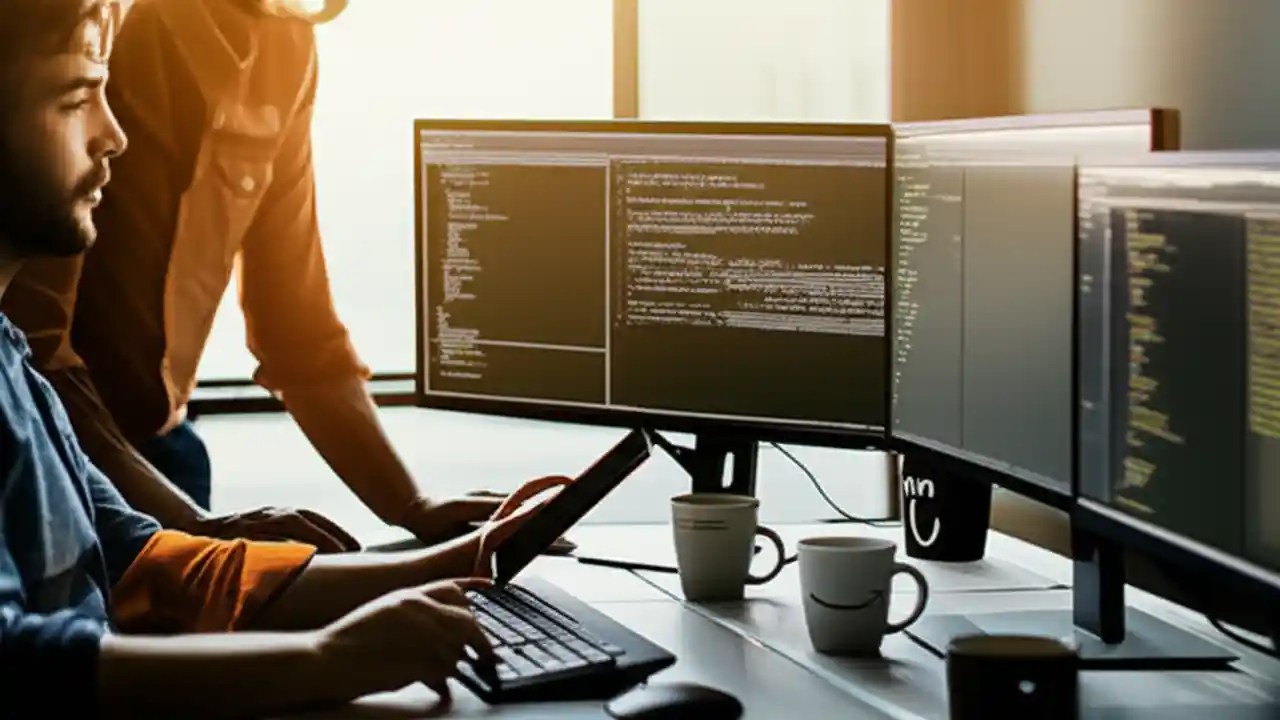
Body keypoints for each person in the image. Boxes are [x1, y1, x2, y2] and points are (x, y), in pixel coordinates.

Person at [0, 1, 579, 715]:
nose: (112, 135)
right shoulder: (110, 25)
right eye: (83, 96)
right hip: (96, 431)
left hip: (111, 454)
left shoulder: (12, 367)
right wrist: (324, 661)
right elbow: (19, 659)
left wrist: (459, 552)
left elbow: (149, 559)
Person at [0, 0, 505, 551]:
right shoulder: (94, 28)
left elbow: (297, 331)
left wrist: (412, 507)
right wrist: (195, 531)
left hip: (166, 452)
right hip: (53, 444)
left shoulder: (287, 48)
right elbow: (35, 348)